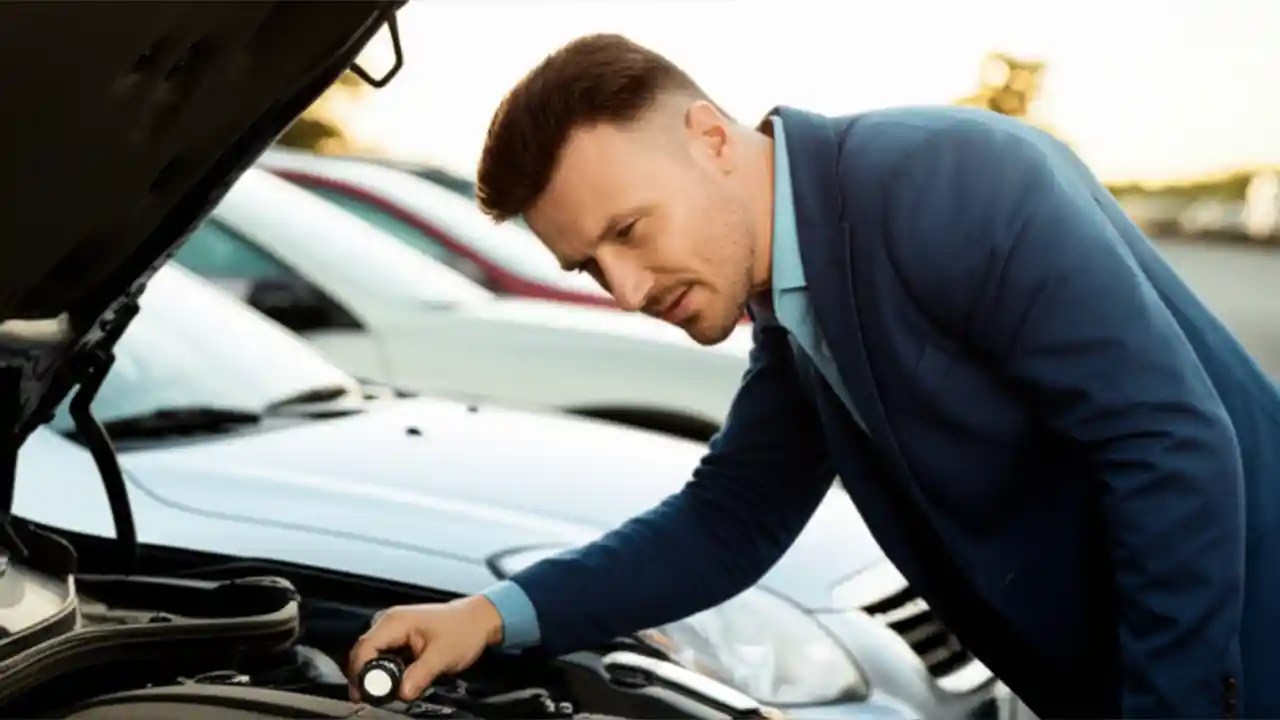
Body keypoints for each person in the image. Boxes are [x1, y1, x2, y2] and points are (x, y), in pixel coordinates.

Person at [348, 33, 1280, 719]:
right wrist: (488, 616)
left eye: (629, 231)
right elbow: (731, 518)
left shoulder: (951, 181)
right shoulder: (797, 299)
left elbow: (1169, 446)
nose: (625, 289)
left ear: (711, 138)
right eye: (589, 266)